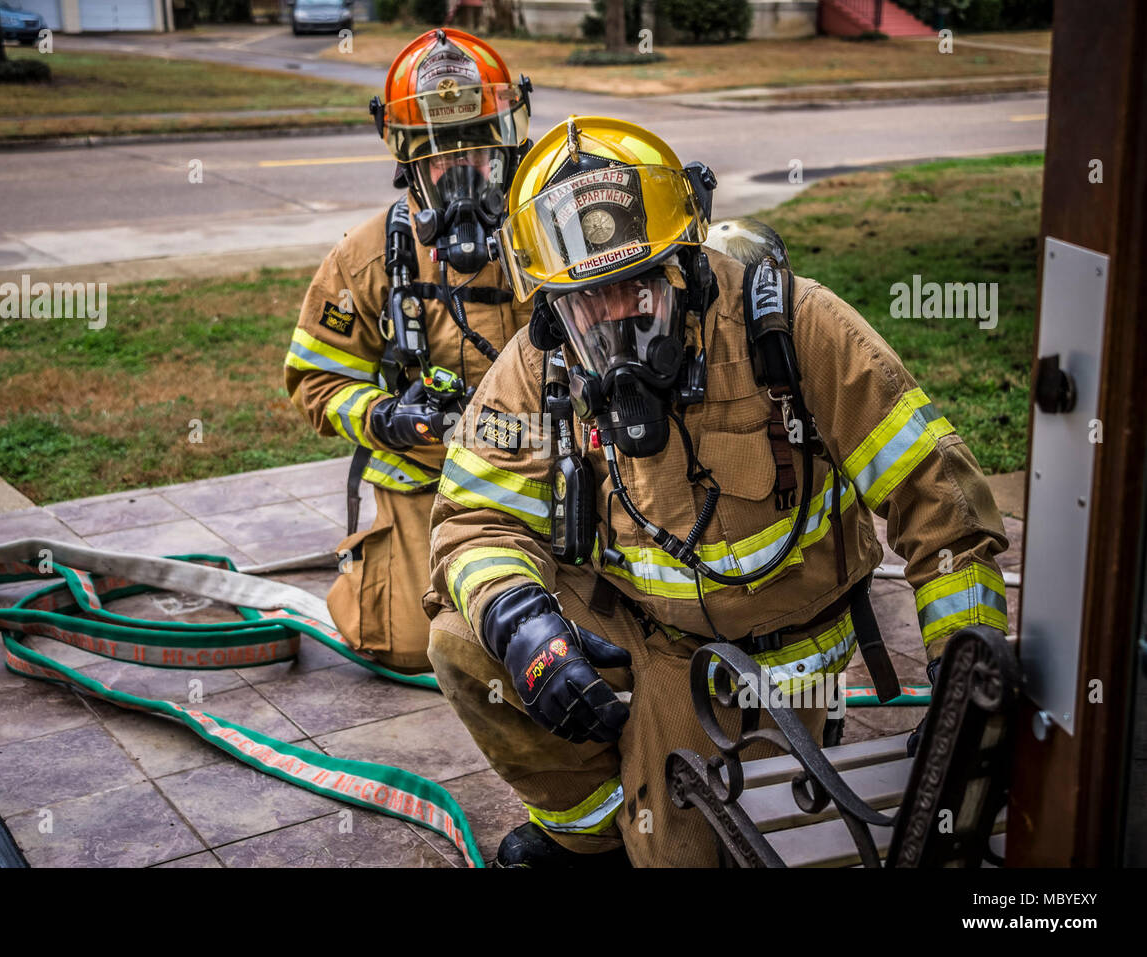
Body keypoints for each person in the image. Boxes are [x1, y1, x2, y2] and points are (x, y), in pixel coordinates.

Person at [425, 116, 1010, 866]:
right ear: (550, 304)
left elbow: (942, 505)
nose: (614, 319)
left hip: (782, 652)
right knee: (465, 638)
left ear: (687, 263)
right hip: (648, 634)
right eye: (585, 302)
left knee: (697, 856)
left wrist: (962, 683)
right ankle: (589, 839)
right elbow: (476, 517)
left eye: (638, 284)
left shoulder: (797, 330)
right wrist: (525, 626)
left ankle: (699, 779)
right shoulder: (542, 362)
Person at [284, 29, 533, 673]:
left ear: (510, 149)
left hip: (549, 476)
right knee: (407, 648)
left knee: (569, 642)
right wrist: (384, 418)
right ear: (409, 166)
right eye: (441, 157)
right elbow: (316, 379)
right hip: (425, 481)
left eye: (478, 153)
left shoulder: (553, 238)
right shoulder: (369, 257)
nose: (462, 175)